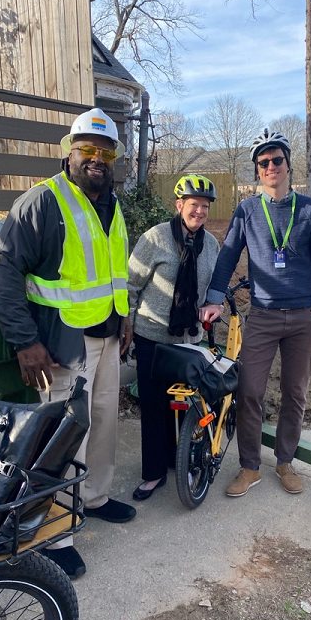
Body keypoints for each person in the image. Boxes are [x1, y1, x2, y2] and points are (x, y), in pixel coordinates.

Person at [0, 107, 135, 579]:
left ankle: (93, 498)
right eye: (88, 149)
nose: (97, 158)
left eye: (105, 151)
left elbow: (115, 273)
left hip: (108, 336)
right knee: (62, 439)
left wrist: (125, 316)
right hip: (61, 345)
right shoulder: (42, 201)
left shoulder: (112, 204)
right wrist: (24, 342)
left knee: (105, 425)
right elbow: (2, 270)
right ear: (69, 152)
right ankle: (54, 532)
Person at [201, 128, 311, 497]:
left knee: (294, 392)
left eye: (277, 160)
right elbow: (228, 256)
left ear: (288, 165)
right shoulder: (247, 210)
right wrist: (213, 298)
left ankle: (285, 462)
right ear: (257, 171)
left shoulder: (309, 209)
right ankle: (249, 467)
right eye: (264, 162)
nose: (271, 166)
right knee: (250, 391)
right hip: (262, 316)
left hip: (304, 318)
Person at [128, 175, 220, 500]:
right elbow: (131, 284)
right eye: (194, 205)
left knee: (180, 406)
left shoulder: (211, 245)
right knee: (153, 405)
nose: (199, 212)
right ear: (179, 205)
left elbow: (210, 291)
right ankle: (153, 474)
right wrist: (127, 326)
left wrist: (213, 305)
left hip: (187, 340)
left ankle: (174, 461)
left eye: (205, 207)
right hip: (151, 336)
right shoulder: (155, 238)